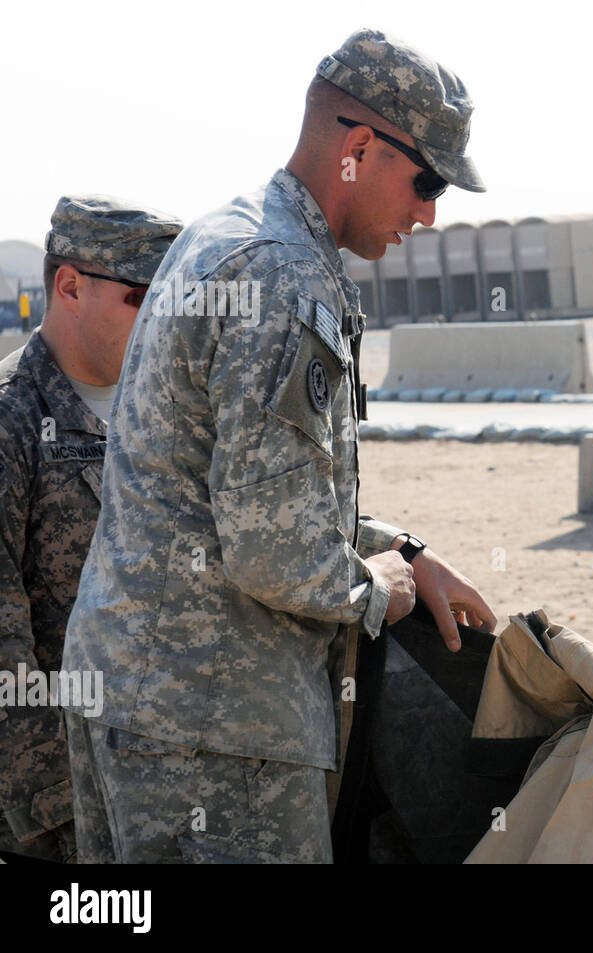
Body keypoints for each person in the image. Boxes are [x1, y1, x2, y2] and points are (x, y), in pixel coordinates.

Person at [60, 28, 495, 863]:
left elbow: (216, 485)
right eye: (426, 180)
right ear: (360, 147)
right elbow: (271, 550)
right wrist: (380, 587)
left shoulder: (225, 236)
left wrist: (397, 546)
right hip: (218, 729)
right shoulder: (281, 275)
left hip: (140, 699)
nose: (428, 213)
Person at [0, 196, 181, 863]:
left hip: (159, 793)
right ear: (71, 286)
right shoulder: (12, 419)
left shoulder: (161, 416)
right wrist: (65, 815)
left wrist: (396, 549)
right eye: (143, 298)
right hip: (60, 822)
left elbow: (251, 524)